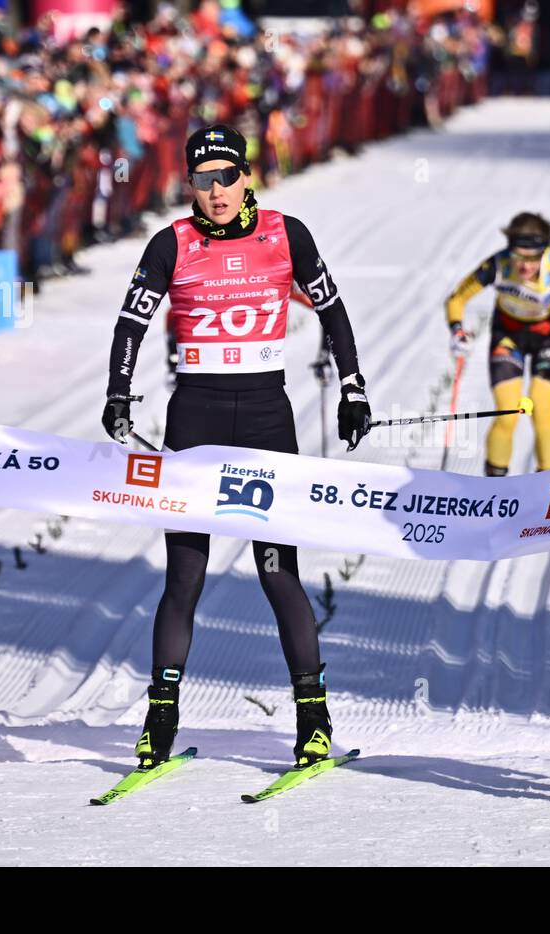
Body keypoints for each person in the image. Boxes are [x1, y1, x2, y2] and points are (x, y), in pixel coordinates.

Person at [101, 124, 372, 769]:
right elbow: (130, 322)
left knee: (278, 572)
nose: (216, 191)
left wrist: (354, 389)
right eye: (203, 180)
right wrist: (118, 393)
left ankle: (313, 720)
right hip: (193, 420)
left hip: (265, 421)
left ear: (247, 176)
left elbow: (333, 314)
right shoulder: (173, 242)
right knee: (184, 578)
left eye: (226, 176)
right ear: (189, 184)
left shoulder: (286, 233)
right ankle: (158, 724)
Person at [443, 212, 550, 475]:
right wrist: (457, 331)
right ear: (509, 249)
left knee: (541, 405)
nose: (525, 267)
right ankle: (495, 487)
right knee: (507, 411)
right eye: (519, 256)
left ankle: (547, 483)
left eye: (533, 258)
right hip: (509, 334)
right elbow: (456, 298)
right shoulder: (497, 265)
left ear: (545, 251)